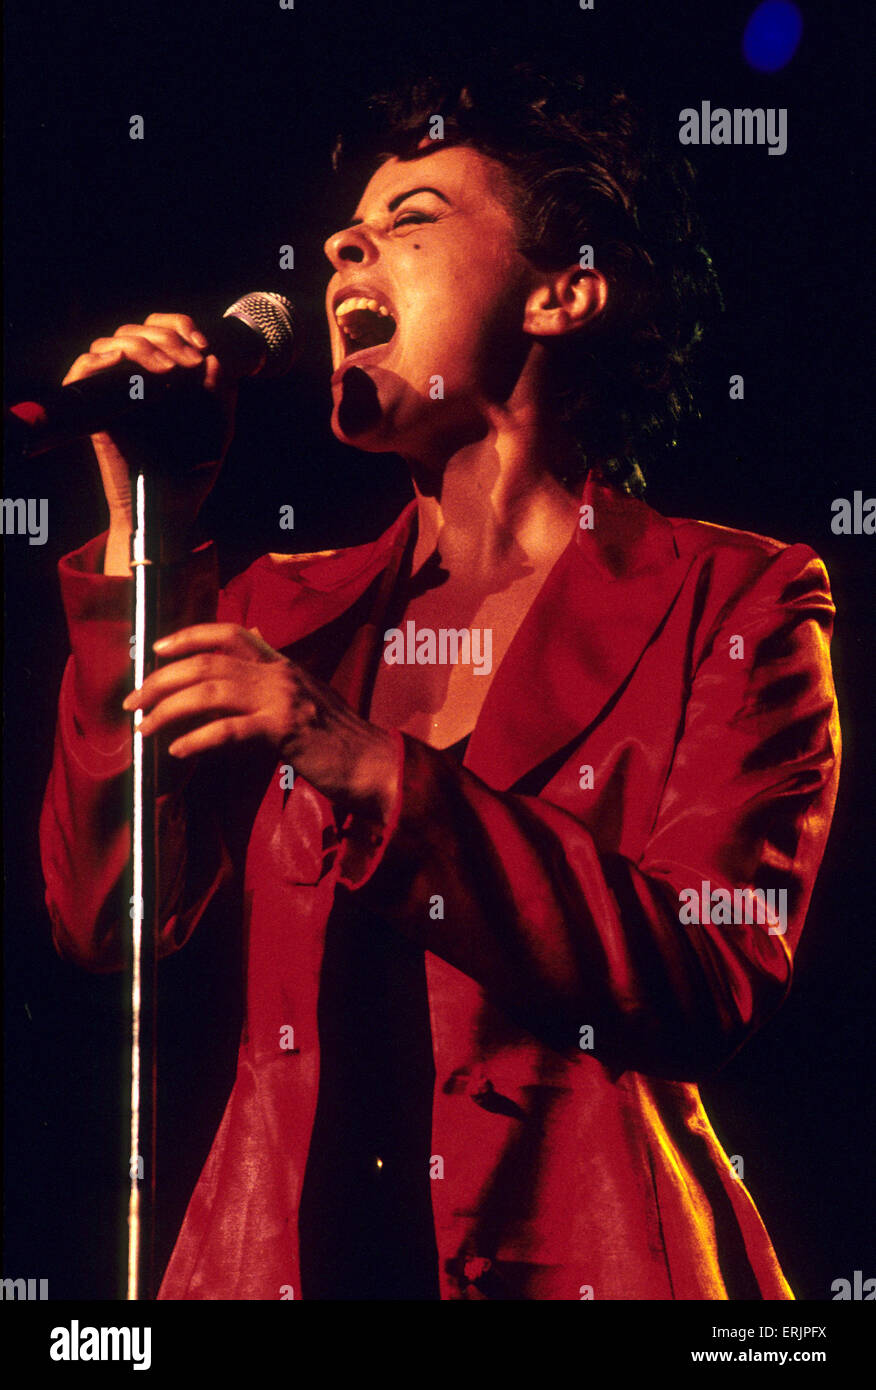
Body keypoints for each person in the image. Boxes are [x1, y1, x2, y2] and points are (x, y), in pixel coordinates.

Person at [39, 63, 840, 1300]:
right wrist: (150, 531)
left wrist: (371, 766)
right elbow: (109, 922)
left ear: (563, 292)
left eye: (410, 222)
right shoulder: (280, 615)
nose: (344, 245)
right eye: (346, 235)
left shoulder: (738, 601)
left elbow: (707, 974)